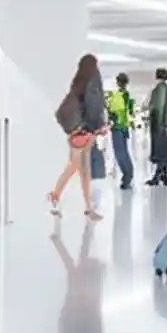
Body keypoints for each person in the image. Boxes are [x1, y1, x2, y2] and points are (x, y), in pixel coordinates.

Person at [48, 54, 108, 221]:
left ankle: (88, 208)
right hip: (86, 131)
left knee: (83, 171)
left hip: (76, 130)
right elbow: (94, 105)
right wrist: (98, 126)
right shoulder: (92, 82)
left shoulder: (78, 83)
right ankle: (55, 197)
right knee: (76, 167)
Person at [145, 68, 167, 187]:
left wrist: (156, 121)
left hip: (158, 123)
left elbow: (158, 107)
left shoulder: (159, 89)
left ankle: (157, 176)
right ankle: (164, 175)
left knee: (158, 150)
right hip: (164, 123)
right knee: (163, 150)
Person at [105, 73, 136, 190]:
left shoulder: (116, 95)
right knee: (123, 152)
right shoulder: (127, 96)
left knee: (120, 153)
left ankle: (127, 175)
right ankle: (128, 174)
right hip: (124, 127)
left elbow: (113, 111)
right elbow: (130, 112)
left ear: (118, 82)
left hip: (117, 127)